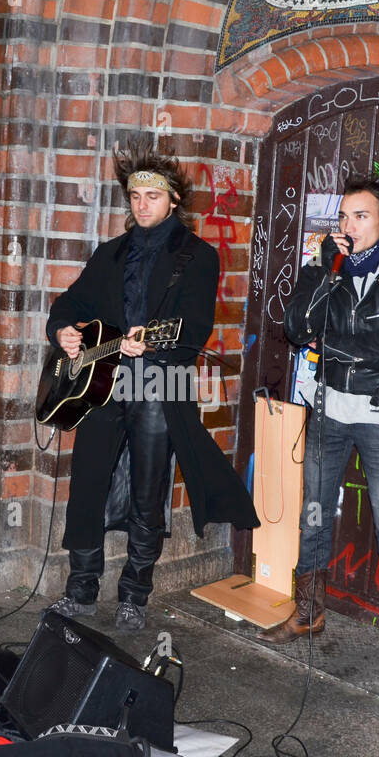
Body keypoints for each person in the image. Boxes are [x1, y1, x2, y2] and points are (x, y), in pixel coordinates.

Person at [45, 140, 259, 631]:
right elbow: (69, 303)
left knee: (148, 487)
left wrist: (157, 346)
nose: (142, 206)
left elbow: (195, 325)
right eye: (135, 197)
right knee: (88, 482)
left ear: (173, 200)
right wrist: (63, 330)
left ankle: (134, 595)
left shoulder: (196, 257)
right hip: (102, 383)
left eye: (153, 197)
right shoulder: (110, 254)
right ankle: (80, 590)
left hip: (160, 381)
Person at [265, 174, 379, 690]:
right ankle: (310, 609)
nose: (348, 225)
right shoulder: (330, 268)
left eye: (360, 215)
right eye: (343, 217)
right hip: (329, 410)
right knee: (313, 514)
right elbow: (297, 329)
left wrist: (333, 345)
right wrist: (324, 271)